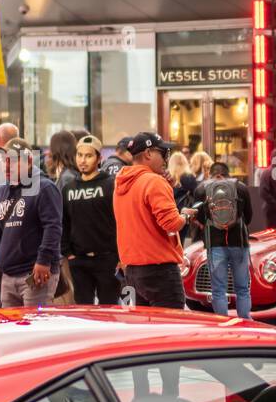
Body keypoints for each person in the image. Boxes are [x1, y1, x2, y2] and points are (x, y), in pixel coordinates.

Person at [113, 132, 191, 309]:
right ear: (148, 154)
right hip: (159, 270)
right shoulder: (154, 181)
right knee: (170, 329)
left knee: (148, 329)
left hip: (132, 271)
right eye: (162, 153)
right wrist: (185, 215)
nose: (165, 159)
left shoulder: (121, 183)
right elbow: (172, 224)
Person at [0, 139, 62, 308]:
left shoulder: (45, 187)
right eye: (4, 160)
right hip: (8, 275)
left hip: (35, 273)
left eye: (14, 161)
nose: (7, 166)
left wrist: (44, 261)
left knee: (34, 329)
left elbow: (53, 227)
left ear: (29, 161)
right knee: (11, 331)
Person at [61, 135, 120, 305]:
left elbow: (120, 220)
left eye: (88, 156)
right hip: (78, 260)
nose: (83, 160)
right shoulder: (69, 188)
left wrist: (119, 255)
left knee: (109, 309)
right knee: (83, 311)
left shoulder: (111, 185)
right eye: (79, 155)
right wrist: (68, 253)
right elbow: (63, 222)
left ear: (99, 158)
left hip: (108, 259)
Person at [193, 169, 254, 318]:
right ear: (228, 174)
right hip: (238, 242)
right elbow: (249, 216)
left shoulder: (202, 189)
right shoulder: (240, 187)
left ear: (210, 174)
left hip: (215, 244)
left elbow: (199, 217)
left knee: (218, 289)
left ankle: (222, 321)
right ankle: (244, 319)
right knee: (242, 288)